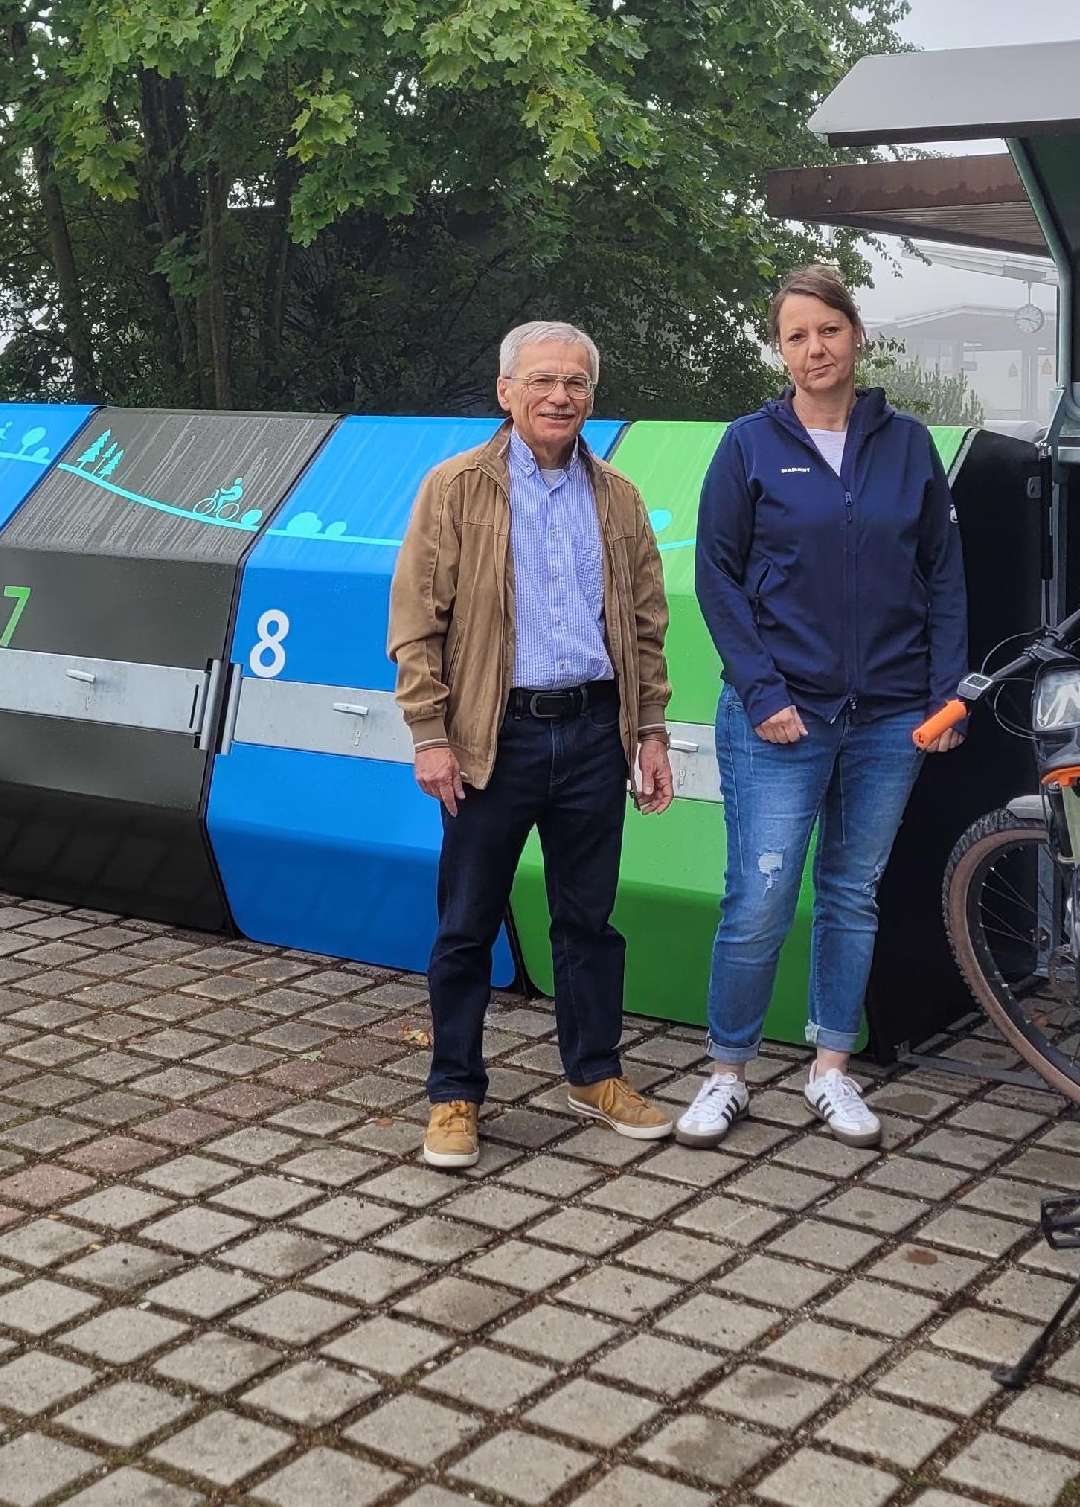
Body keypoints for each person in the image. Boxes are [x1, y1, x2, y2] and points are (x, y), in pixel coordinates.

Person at [676, 267, 967, 1152]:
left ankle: (830, 1070)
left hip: (890, 716)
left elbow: (944, 575)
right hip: (782, 717)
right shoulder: (749, 446)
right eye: (797, 335)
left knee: (851, 893)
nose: (815, 349)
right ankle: (727, 1072)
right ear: (780, 350)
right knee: (760, 897)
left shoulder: (908, 445)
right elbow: (716, 579)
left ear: (857, 336)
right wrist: (762, 693)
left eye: (829, 330)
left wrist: (949, 692)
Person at [391, 320, 678, 1171]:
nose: (562, 397)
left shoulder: (618, 499)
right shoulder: (455, 488)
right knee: (466, 925)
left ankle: (594, 1075)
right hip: (491, 739)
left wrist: (649, 730)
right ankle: (452, 1094)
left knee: (587, 921)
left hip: (595, 733)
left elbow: (646, 627)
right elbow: (416, 623)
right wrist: (429, 735)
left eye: (578, 384)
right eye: (544, 381)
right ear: (506, 392)